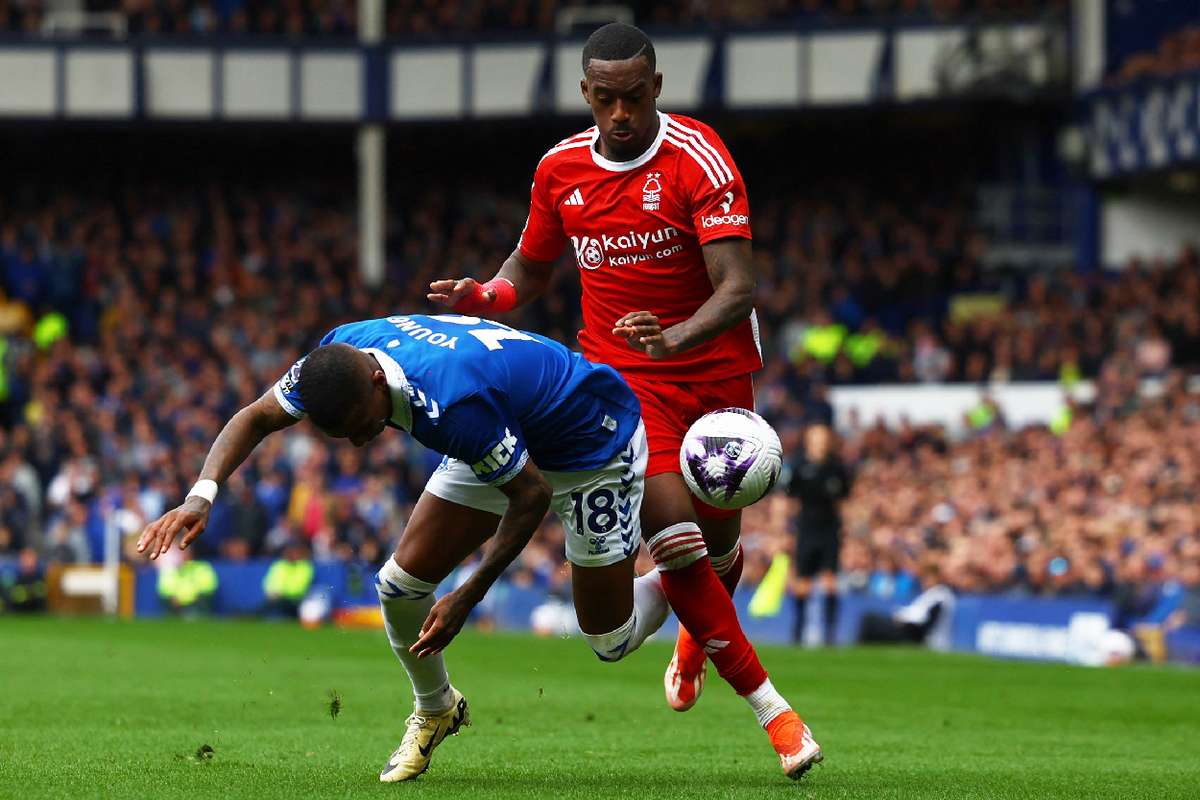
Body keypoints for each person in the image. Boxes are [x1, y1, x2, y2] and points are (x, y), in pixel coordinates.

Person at [428, 22, 819, 778]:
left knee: (719, 549)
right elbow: (530, 269)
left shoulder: (698, 157)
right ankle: (776, 714)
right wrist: (485, 295)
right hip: (625, 385)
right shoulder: (560, 170)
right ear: (586, 93)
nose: (620, 114)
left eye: (634, 97)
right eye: (605, 99)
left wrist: (675, 338)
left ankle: (693, 639)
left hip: (715, 374)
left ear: (656, 87)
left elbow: (739, 287)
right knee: (674, 535)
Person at [137, 313, 676, 783]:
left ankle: (680, 573)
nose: (358, 440)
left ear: (378, 382)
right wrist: (200, 497)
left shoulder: (451, 404)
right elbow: (255, 416)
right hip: (504, 429)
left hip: (590, 442)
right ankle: (436, 709)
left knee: (610, 640)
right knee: (398, 587)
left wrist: (466, 596)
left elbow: (530, 496)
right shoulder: (337, 354)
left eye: (360, 425)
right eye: (343, 435)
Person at [787, 424, 851, 645]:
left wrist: (843, 528)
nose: (820, 442)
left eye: (823, 438)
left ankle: (830, 634)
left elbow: (843, 500)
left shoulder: (836, 468)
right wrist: (787, 530)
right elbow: (791, 499)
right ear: (809, 441)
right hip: (806, 529)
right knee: (803, 583)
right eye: (816, 438)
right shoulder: (799, 466)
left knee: (830, 581)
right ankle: (798, 630)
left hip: (829, 530)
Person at [262, 539, 314, 619]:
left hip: (294, 600)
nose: (291, 554)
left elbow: (300, 588)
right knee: (268, 604)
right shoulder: (279, 565)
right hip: (276, 599)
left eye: (294, 551)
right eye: (289, 551)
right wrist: (272, 592)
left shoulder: (305, 566)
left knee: (279, 605)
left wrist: (282, 593)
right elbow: (269, 583)